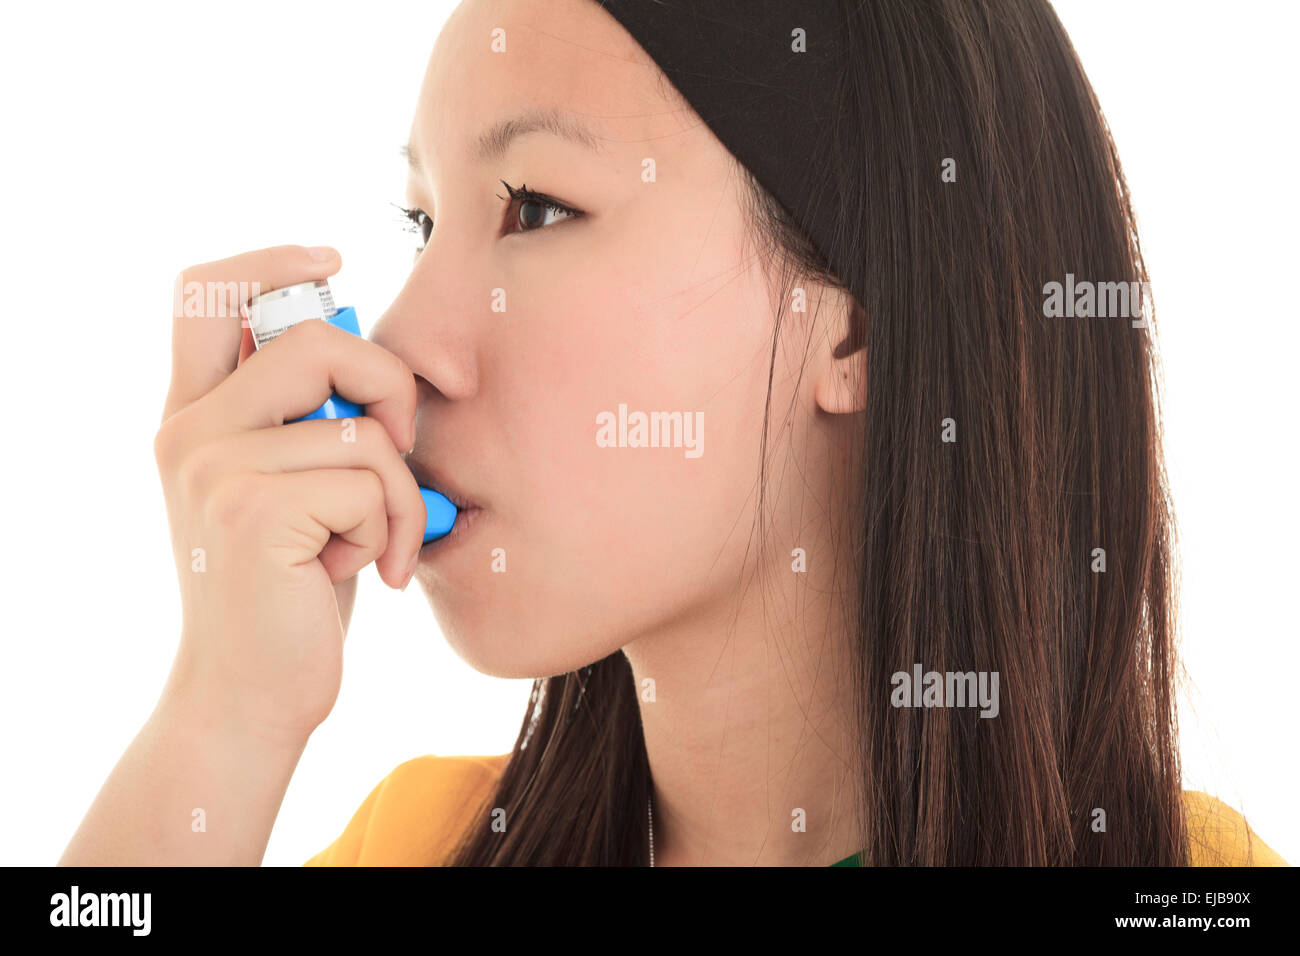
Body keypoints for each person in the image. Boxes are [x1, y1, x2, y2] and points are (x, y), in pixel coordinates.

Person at [61, 0, 1287, 867]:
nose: (401, 337)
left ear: (851, 330)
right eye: (420, 220)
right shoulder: (420, 846)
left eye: (534, 208)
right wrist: (222, 720)